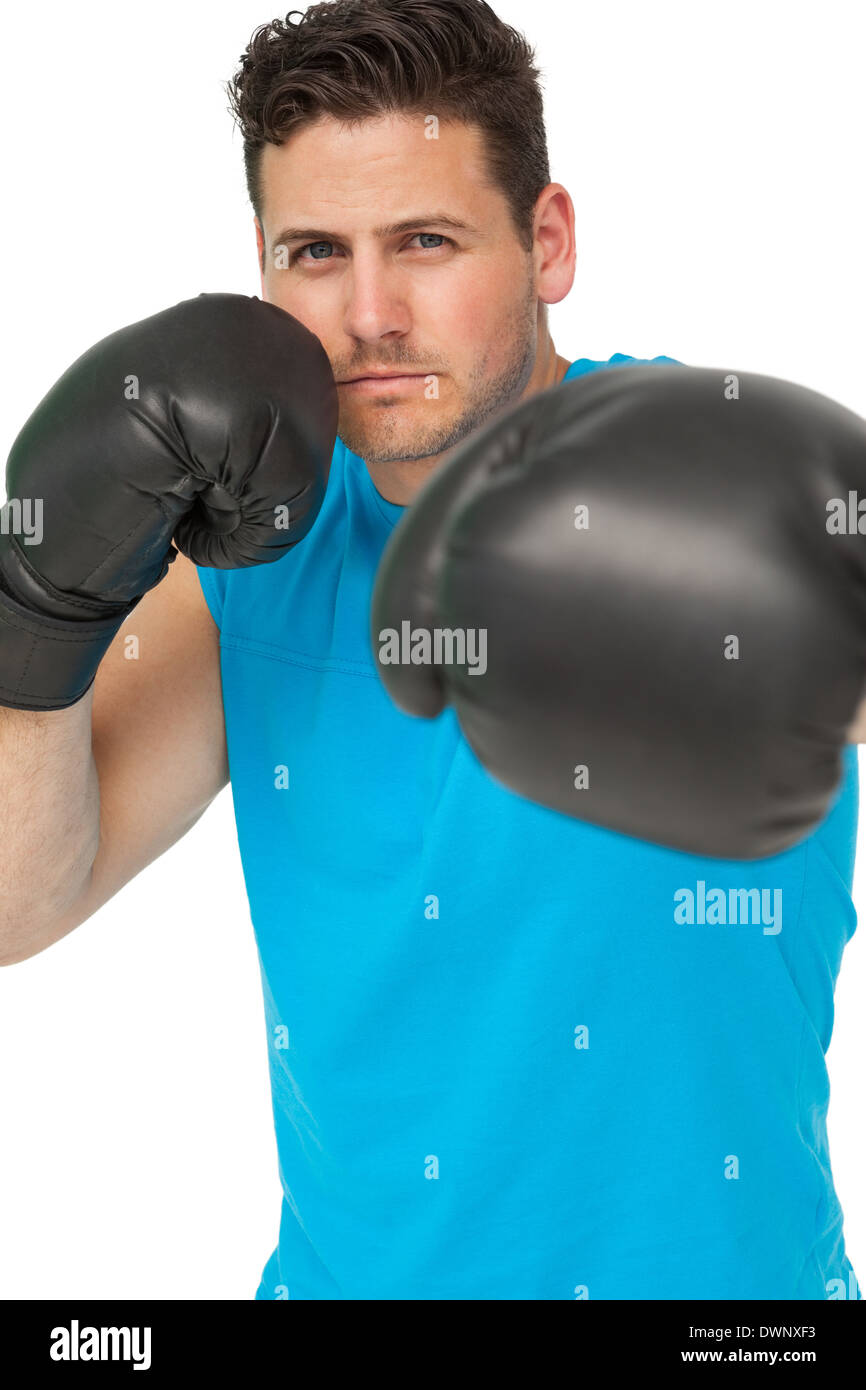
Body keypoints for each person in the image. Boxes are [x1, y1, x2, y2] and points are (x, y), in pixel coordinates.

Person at [0, 0, 861, 1300]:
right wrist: (36, 600)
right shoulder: (246, 559)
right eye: (313, 252)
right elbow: (23, 903)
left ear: (546, 242)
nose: (369, 313)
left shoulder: (708, 471)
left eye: (423, 241)